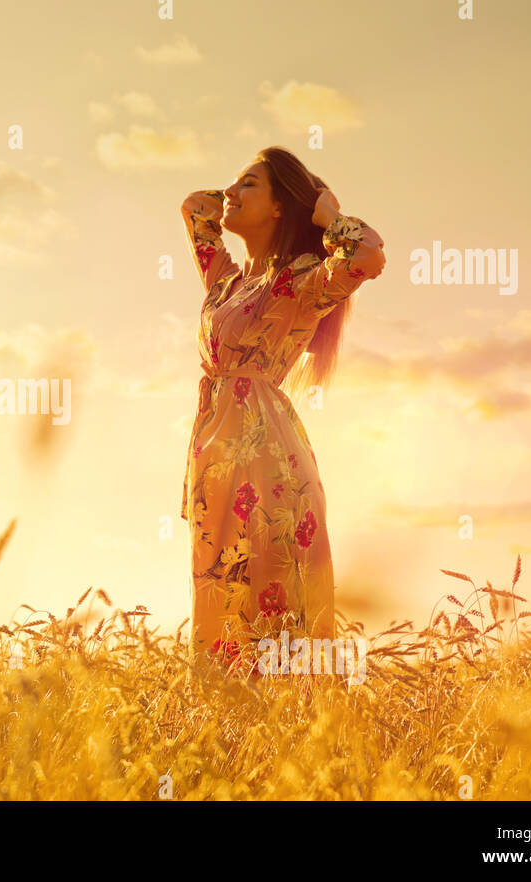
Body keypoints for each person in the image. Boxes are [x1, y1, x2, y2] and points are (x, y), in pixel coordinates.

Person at [180, 146, 386, 674]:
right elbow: (196, 213)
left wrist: (328, 215)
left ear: (278, 208)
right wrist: (216, 199)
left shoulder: (298, 281)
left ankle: (292, 736)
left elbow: (366, 257)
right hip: (215, 457)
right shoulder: (226, 282)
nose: (231, 192)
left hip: (264, 455)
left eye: (249, 184)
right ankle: (228, 738)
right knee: (218, 597)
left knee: (271, 596)